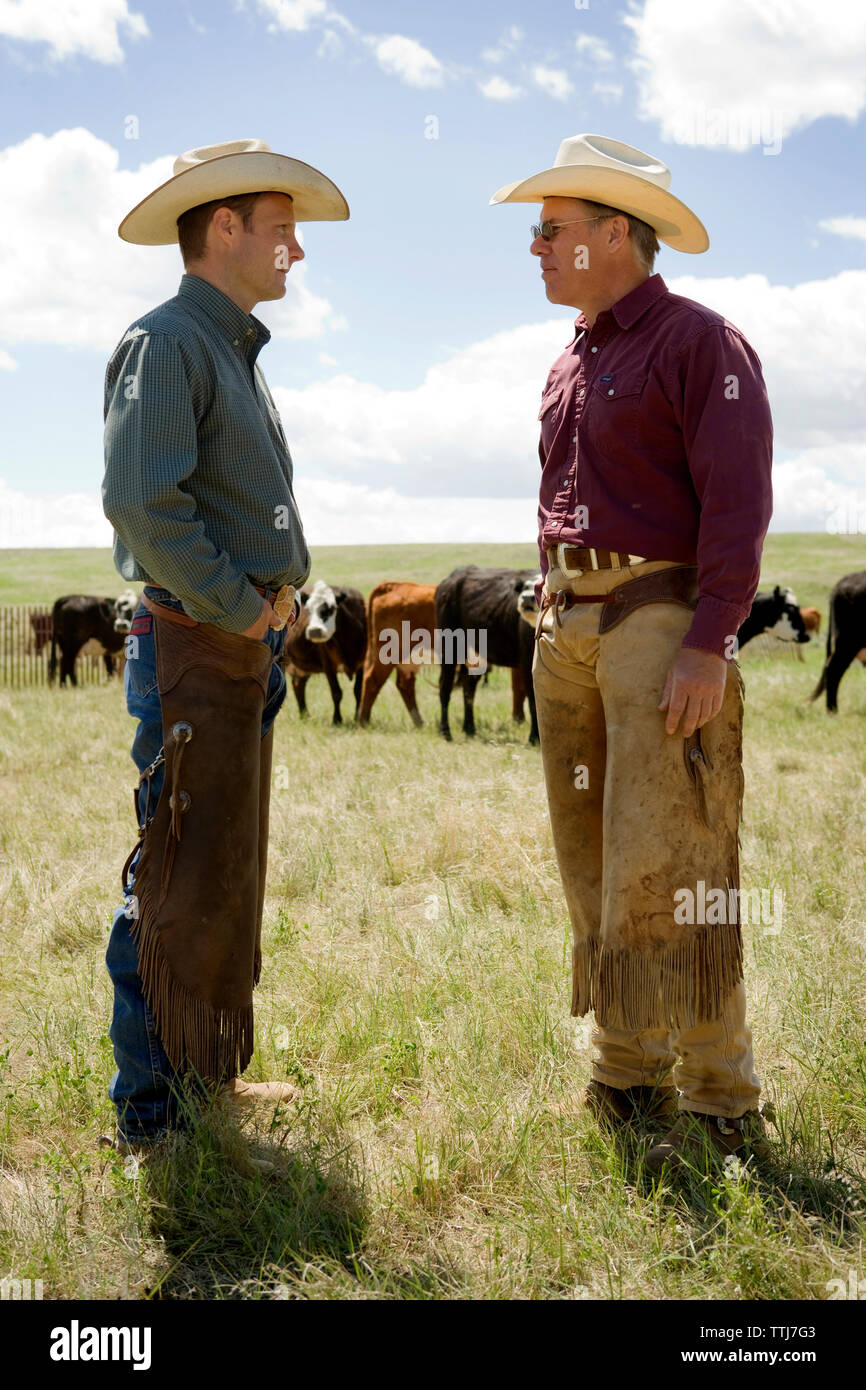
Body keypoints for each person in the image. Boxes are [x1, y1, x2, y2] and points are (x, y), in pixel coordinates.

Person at [490, 134, 773, 1172]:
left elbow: (735, 506)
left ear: (615, 233)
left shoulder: (701, 344)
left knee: (676, 866)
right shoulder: (573, 353)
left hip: (659, 628)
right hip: (565, 630)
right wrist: (548, 580)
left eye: (547, 229)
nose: (532, 246)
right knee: (591, 868)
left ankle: (718, 1096)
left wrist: (708, 641)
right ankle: (622, 1074)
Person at [101, 139, 349, 1154]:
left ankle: (207, 1079)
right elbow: (142, 505)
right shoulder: (168, 342)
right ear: (223, 229)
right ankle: (152, 1115)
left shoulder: (228, 348)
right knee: (174, 874)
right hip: (200, 643)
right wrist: (244, 609)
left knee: (224, 871)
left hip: (238, 648)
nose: (296, 247)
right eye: (281, 226)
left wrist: (266, 620)